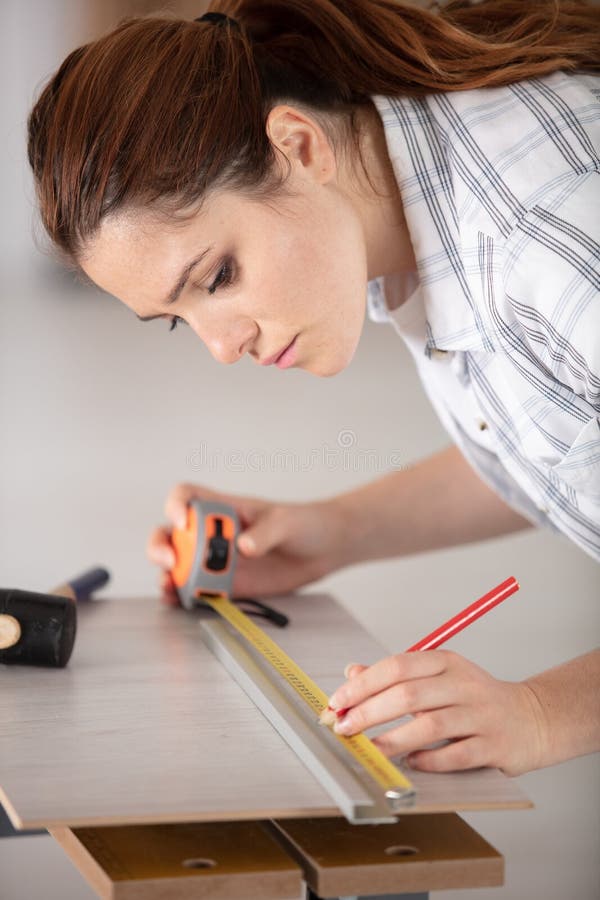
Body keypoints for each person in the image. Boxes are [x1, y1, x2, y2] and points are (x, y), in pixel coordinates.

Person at [27, 0, 599, 777]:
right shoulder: (397, 200)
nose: (223, 347)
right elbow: (561, 430)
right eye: (176, 318)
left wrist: (540, 714)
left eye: (218, 277)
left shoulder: (550, 244)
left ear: (297, 144)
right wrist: (334, 532)